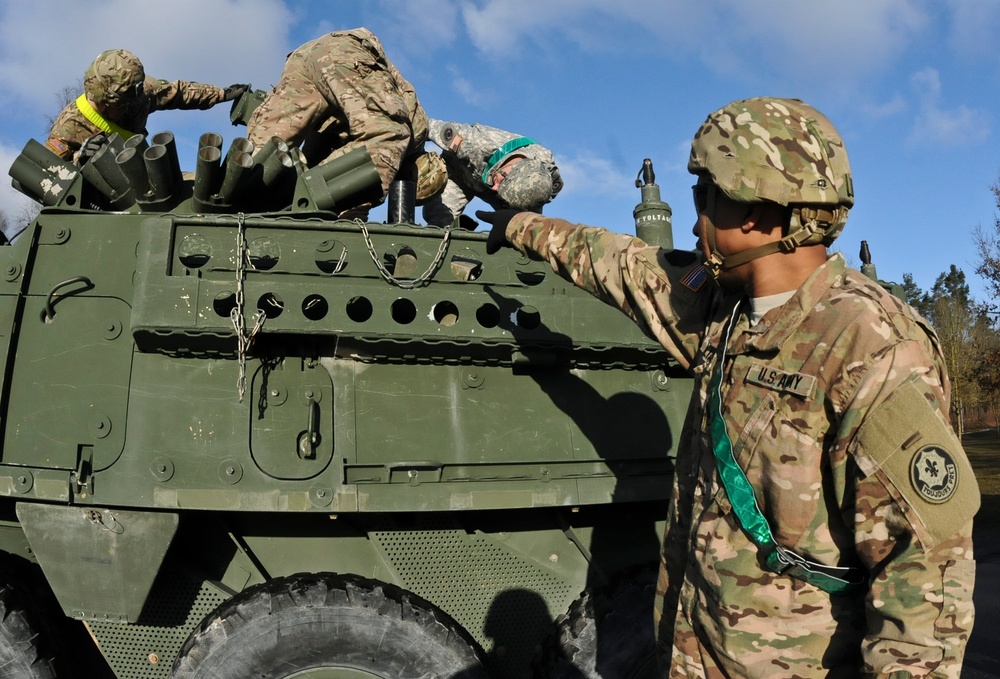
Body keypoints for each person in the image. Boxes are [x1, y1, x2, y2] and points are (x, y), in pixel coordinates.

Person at [477, 97, 978, 677]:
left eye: (704, 196)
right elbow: (621, 265)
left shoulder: (870, 346)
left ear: (750, 210)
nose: (695, 222)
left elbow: (924, 586)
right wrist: (520, 226)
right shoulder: (725, 313)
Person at [246, 28, 430, 203]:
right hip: (345, 55)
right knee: (391, 133)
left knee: (258, 165)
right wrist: (356, 203)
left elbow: (322, 155)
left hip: (306, 58)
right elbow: (386, 135)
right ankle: (304, 201)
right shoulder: (418, 132)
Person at [45, 49, 247, 164]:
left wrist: (221, 94)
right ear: (103, 102)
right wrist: (80, 158)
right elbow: (47, 175)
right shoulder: (69, 126)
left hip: (143, 173)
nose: (129, 108)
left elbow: (179, 92)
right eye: (123, 105)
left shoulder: (137, 93)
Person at [422, 118, 562, 228]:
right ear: (511, 166)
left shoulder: (543, 183)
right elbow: (425, 126)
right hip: (460, 173)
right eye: (501, 181)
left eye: (501, 188)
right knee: (439, 220)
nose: (494, 188)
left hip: (508, 198)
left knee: (525, 232)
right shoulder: (475, 142)